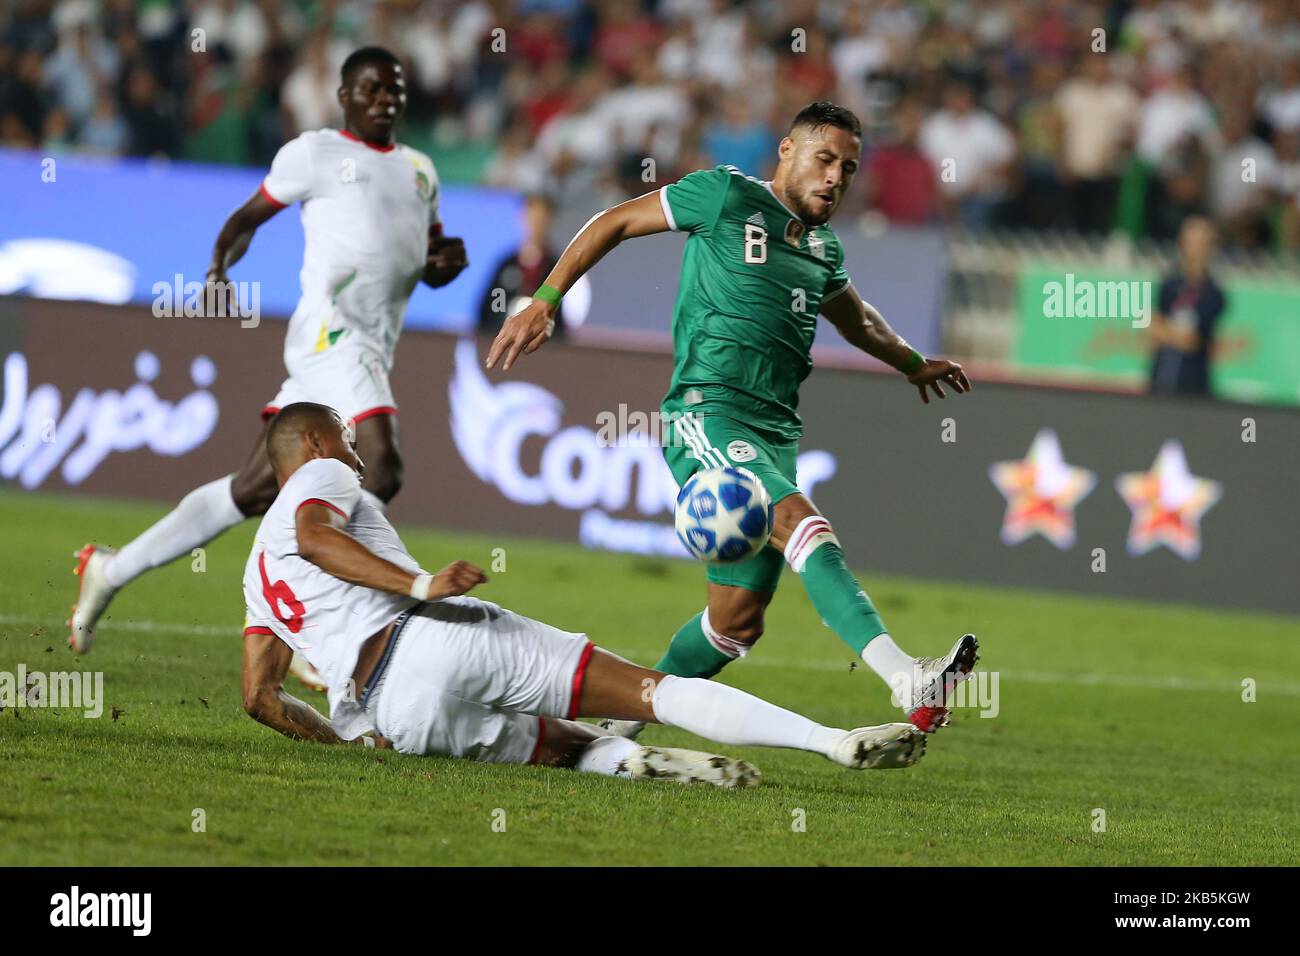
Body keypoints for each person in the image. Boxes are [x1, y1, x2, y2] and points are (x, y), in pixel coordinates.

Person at [487, 102, 979, 739]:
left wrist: (912, 363)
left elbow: (860, 321)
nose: (835, 178)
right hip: (707, 412)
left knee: (734, 625)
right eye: (825, 159)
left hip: (776, 433)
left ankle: (612, 725)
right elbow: (613, 221)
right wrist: (547, 298)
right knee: (806, 527)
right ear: (787, 152)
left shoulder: (824, 250)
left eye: (849, 169)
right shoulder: (723, 195)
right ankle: (908, 677)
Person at [240, 403, 928, 787]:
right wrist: (419, 583)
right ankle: (831, 741)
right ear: (315, 442)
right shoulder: (320, 477)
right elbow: (312, 536)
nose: (356, 452)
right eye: (346, 436)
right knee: (651, 692)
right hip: (433, 635)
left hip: (396, 714)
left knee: (566, 751)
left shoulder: (251, 577)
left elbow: (259, 699)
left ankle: (628, 761)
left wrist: (345, 738)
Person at [69, 47, 469, 667]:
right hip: (331, 335)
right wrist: (218, 267)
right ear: (343, 96)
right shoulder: (314, 153)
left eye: (394, 90)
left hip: (367, 347)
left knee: (251, 490)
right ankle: (326, 613)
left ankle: (111, 569)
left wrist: (447, 264)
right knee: (382, 466)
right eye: (370, 89)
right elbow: (246, 218)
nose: (384, 99)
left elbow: (432, 258)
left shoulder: (421, 172)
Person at [1149, 216, 1226, 397]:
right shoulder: (1169, 284)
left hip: (1193, 384)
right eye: (1190, 241)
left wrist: (1167, 332)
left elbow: (1192, 340)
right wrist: (1171, 333)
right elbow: (1153, 327)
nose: (1194, 248)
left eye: (1201, 242)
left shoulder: (1213, 293)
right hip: (1160, 378)